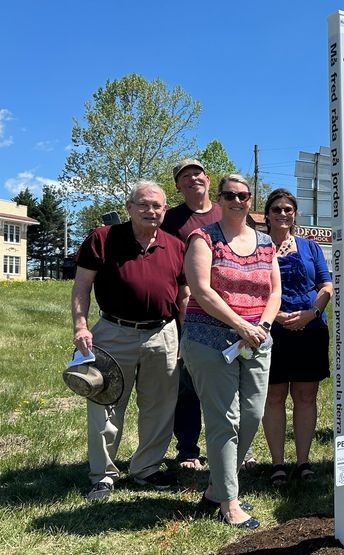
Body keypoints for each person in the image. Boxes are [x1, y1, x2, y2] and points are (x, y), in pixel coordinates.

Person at [72, 181, 186, 501]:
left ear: (165, 210)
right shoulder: (104, 238)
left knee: (160, 406)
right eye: (144, 204)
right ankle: (103, 475)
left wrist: (183, 334)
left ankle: (146, 468)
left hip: (163, 334)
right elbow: (81, 286)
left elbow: (184, 295)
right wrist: (81, 326)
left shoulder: (176, 246)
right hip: (113, 331)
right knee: (105, 405)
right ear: (129, 207)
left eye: (157, 206)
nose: (151, 211)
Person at [181, 174, 281, 529]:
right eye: (230, 195)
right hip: (210, 340)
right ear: (220, 199)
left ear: (251, 199)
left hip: (256, 341)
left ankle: (216, 490)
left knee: (252, 416)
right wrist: (241, 325)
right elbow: (202, 291)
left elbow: (274, 293)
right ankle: (229, 501)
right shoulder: (204, 238)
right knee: (226, 419)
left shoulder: (266, 242)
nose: (237, 200)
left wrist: (262, 328)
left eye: (243, 195)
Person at [161, 159, 238, 472]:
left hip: (230, 311)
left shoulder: (226, 210)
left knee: (232, 383)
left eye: (197, 173)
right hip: (187, 310)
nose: (193, 178)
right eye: (184, 176)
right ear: (178, 186)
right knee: (187, 384)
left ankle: (236, 449)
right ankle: (188, 450)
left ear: (208, 179)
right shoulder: (171, 220)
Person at [262, 188, 333, 486]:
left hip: (310, 330)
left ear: (294, 214)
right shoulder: (257, 247)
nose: (282, 213)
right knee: (274, 397)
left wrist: (311, 313)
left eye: (288, 209)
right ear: (267, 214)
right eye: (276, 209)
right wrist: (274, 316)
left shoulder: (310, 247)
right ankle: (278, 463)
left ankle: (303, 461)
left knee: (306, 397)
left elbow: (326, 285)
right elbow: (252, 289)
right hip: (271, 330)